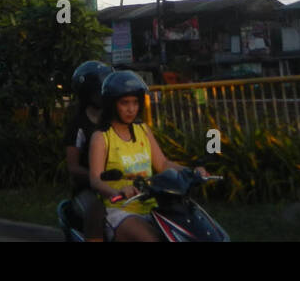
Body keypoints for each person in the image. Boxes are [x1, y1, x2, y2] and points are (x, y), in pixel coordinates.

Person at [88, 70, 204, 242]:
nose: (131, 109)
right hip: (121, 209)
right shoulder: (101, 137)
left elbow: (163, 164)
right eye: (124, 103)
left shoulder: (142, 129)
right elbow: (96, 180)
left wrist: (192, 171)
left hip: (153, 206)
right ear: (113, 104)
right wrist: (117, 191)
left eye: (135, 103)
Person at [64, 60, 112, 242]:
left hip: (123, 186)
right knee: (100, 217)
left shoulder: (114, 120)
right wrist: (97, 177)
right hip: (91, 190)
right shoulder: (79, 126)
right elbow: (73, 167)